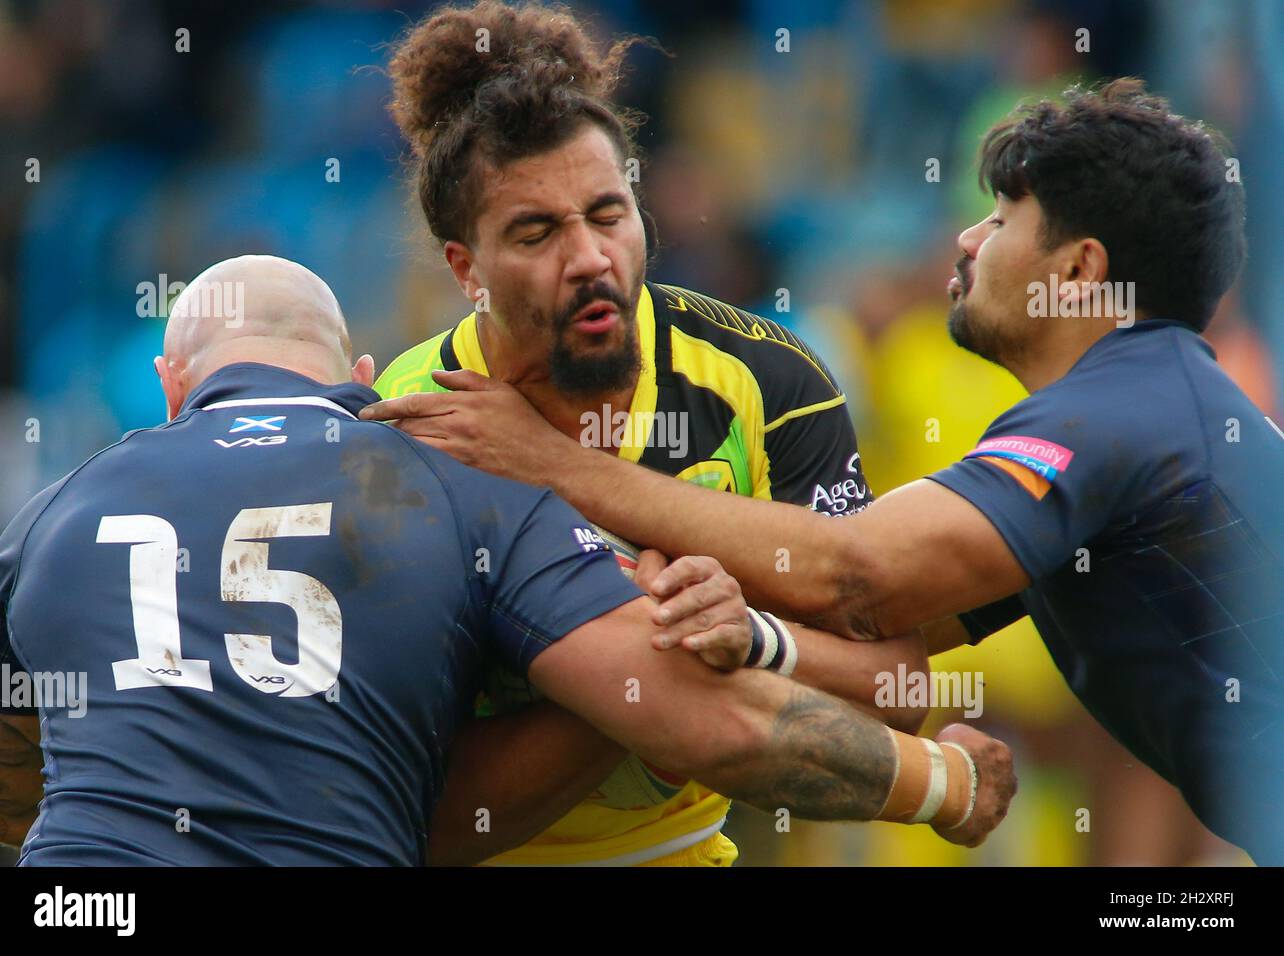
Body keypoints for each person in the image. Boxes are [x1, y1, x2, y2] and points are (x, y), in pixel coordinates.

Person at [369, 78, 1284, 863]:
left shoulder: (1116, 416)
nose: (966, 241)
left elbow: (852, 571)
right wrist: (745, 633)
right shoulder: (1146, 404)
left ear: (1079, 270)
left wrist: (550, 466)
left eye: (1002, 220)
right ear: (466, 266)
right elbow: (877, 632)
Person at [0, 255, 1016, 865]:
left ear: (170, 387)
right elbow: (715, 718)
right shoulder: (453, 482)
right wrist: (942, 782)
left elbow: (4, 775)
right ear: (353, 377)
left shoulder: (50, 514)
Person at [366, 0, 941, 866]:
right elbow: (406, 791)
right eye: (537, 231)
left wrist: (753, 634)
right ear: (465, 269)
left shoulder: (769, 380)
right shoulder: (398, 423)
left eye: (608, 214)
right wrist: (643, 654)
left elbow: (900, 689)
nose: (591, 258)